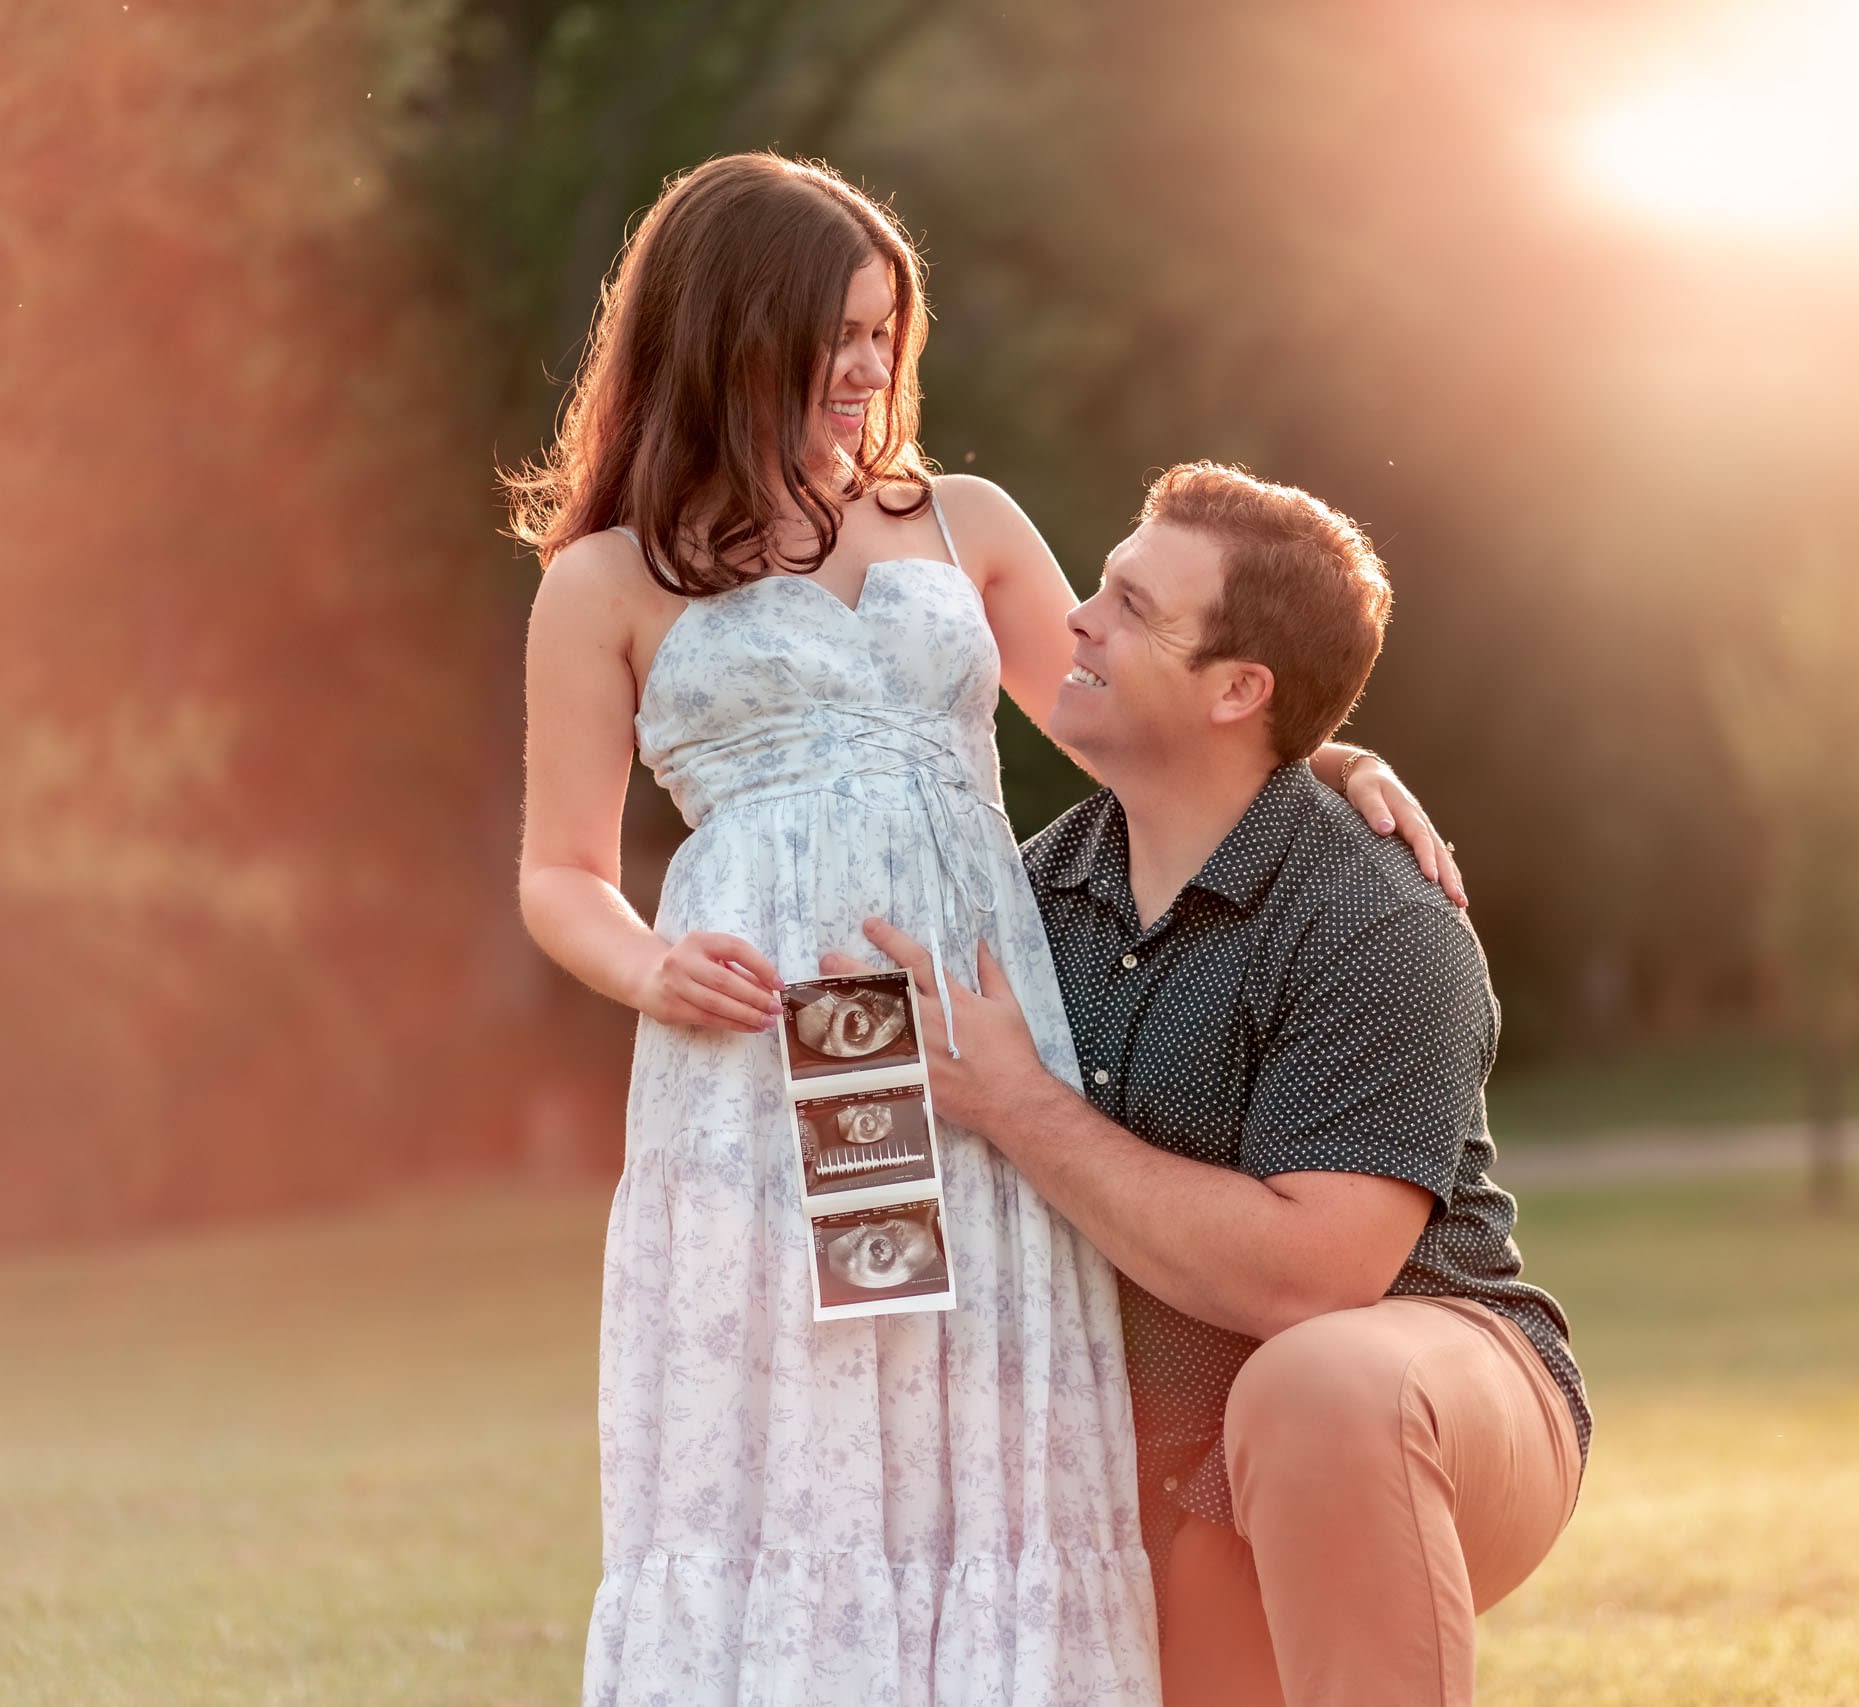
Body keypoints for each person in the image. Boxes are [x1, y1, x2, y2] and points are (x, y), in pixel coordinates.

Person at [510, 154, 1458, 1705]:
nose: (871, 365)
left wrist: (1330, 752)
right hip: (771, 1042)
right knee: (816, 1411)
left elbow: (1138, 707)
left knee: (983, 1403)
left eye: (889, 328)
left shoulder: (959, 519)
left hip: (965, 1023)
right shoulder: (608, 581)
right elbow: (557, 869)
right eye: (837, 331)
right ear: (729, 330)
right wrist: (649, 965)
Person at [837, 463, 1588, 1707]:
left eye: (1131, 607)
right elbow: (883, 1241)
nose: (1074, 620)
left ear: (1240, 690)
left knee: (1323, 1385)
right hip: (1157, 1483)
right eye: (1099, 587)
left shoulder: (1375, 915)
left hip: (1422, 1400)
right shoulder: (1009, 904)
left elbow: (1313, 1280)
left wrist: (1021, 1105)